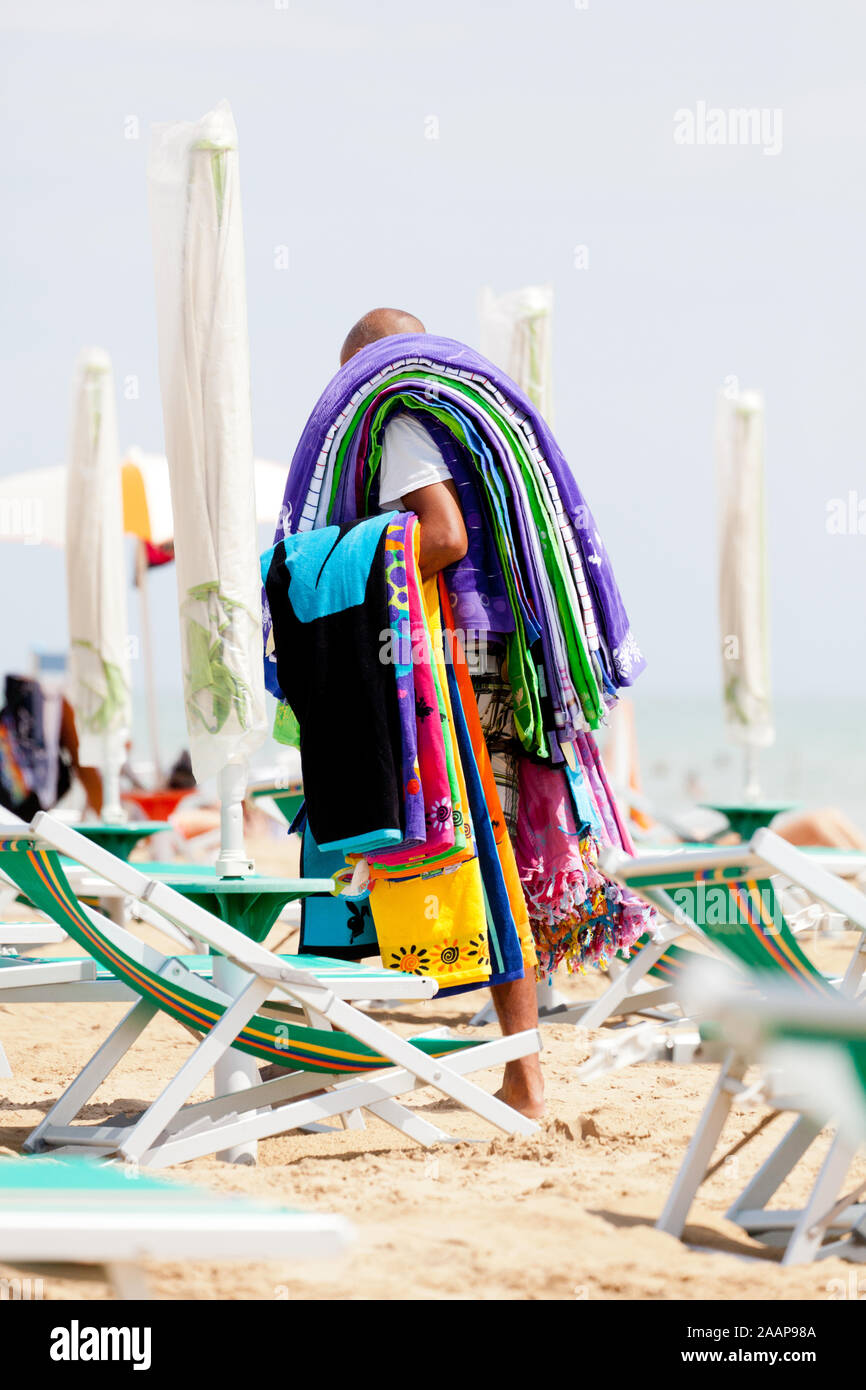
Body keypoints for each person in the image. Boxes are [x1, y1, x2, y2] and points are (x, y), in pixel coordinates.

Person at [339, 307, 544, 1119]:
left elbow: (445, 536)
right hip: (477, 657)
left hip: (434, 667)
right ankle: (518, 1075)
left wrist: (345, 580)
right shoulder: (444, 421)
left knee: (478, 860)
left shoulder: (395, 423)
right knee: (487, 857)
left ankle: (523, 1081)